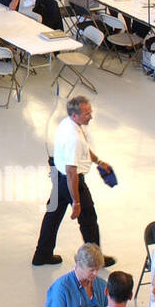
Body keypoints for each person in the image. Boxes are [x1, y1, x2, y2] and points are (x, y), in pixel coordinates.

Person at [34, 95, 115, 268]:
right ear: (75, 115)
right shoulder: (73, 139)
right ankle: (95, 259)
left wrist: (99, 162)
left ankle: (42, 254)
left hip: (59, 174)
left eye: (90, 111)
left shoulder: (68, 124)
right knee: (88, 220)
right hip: (70, 180)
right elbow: (72, 172)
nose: (91, 116)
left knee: (53, 214)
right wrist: (76, 201)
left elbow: (84, 148)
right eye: (87, 113)